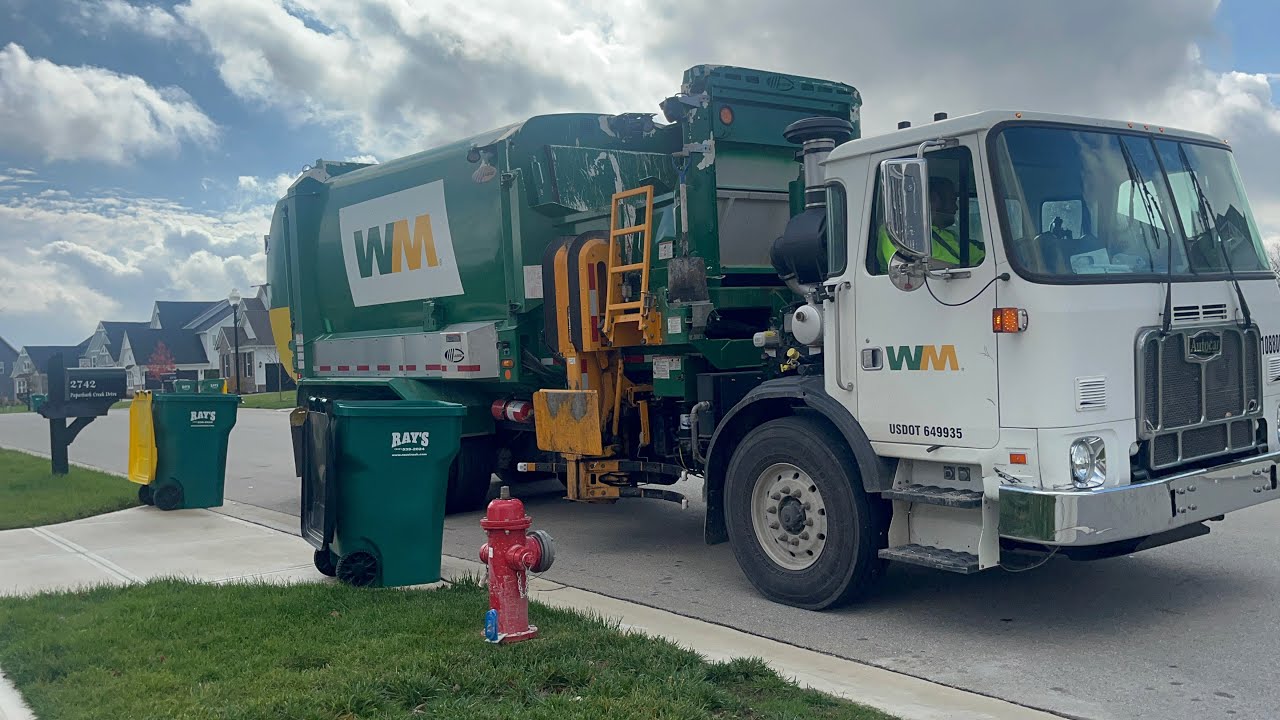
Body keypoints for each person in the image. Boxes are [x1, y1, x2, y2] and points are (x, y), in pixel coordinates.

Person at [878, 176, 985, 272]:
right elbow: (908, 266)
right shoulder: (895, 231)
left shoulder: (949, 235)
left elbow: (981, 258)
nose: (956, 208)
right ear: (934, 199)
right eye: (952, 201)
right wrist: (958, 270)